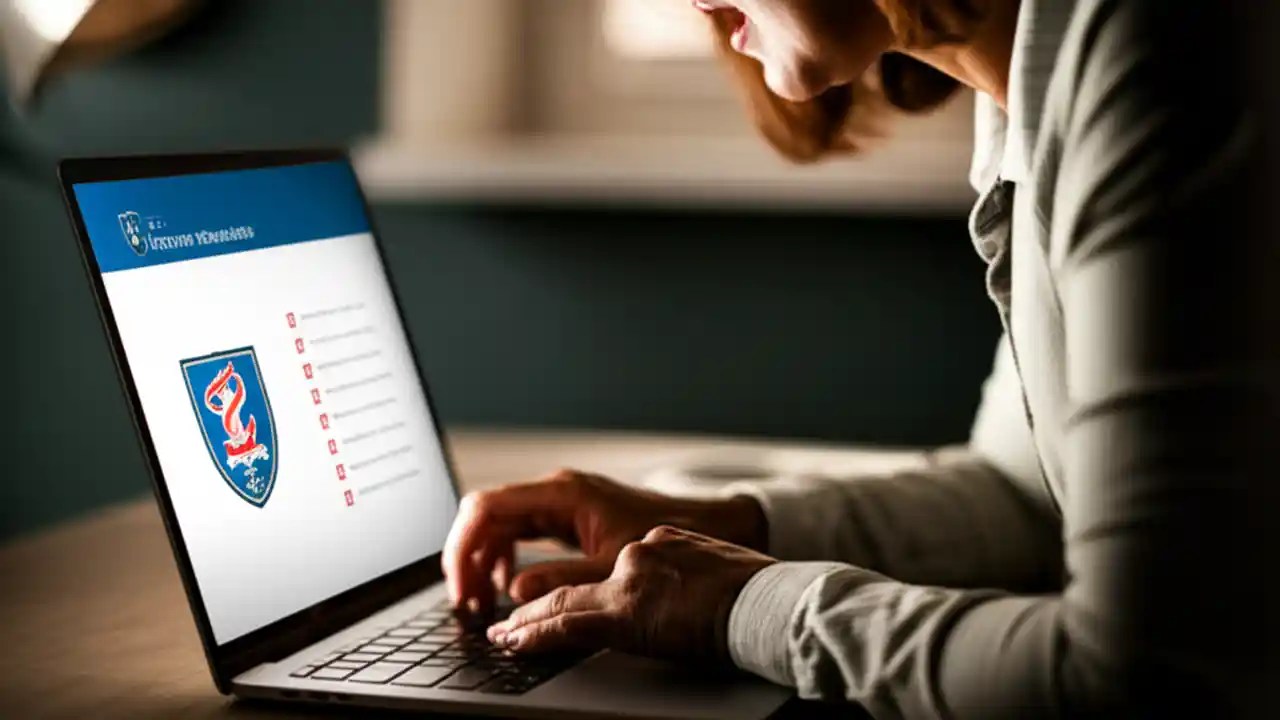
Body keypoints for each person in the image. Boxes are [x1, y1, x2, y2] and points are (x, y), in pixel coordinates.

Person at [444, 1, 1275, 717]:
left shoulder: (1153, 50)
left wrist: (746, 608)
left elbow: (1141, 675)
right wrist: (716, 530)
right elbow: (1026, 496)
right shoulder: (1028, 87)